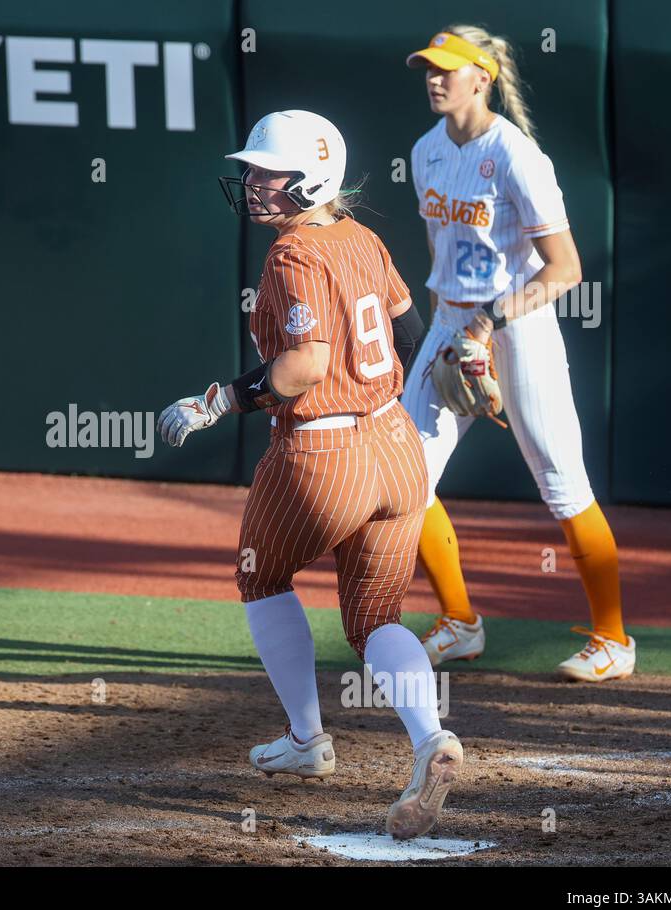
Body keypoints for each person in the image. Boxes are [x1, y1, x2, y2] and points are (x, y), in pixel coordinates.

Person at [158, 110, 461, 840]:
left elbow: (302, 369)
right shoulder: (361, 235)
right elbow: (409, 329)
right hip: (395, 445)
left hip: (322, 452)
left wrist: (218, 399)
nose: (254, 182)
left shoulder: (293, 255)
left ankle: (307, 739)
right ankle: (431, 742)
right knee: (377, 621)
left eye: (268, 171)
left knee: (262, 578)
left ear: (310, 179)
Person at [402, 26, 634, 682]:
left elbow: (565, 269)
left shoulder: (515, 155)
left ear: (484, 77)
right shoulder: (424, 151)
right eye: (428, 68)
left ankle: (613, 639)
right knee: (403, 478)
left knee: (562, 480)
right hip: (453, 324)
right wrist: (454, 332)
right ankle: (460, 623)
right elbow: (439, 252)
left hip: (518, 327)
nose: (434, 78)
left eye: (448, 69)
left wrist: (489, 325)